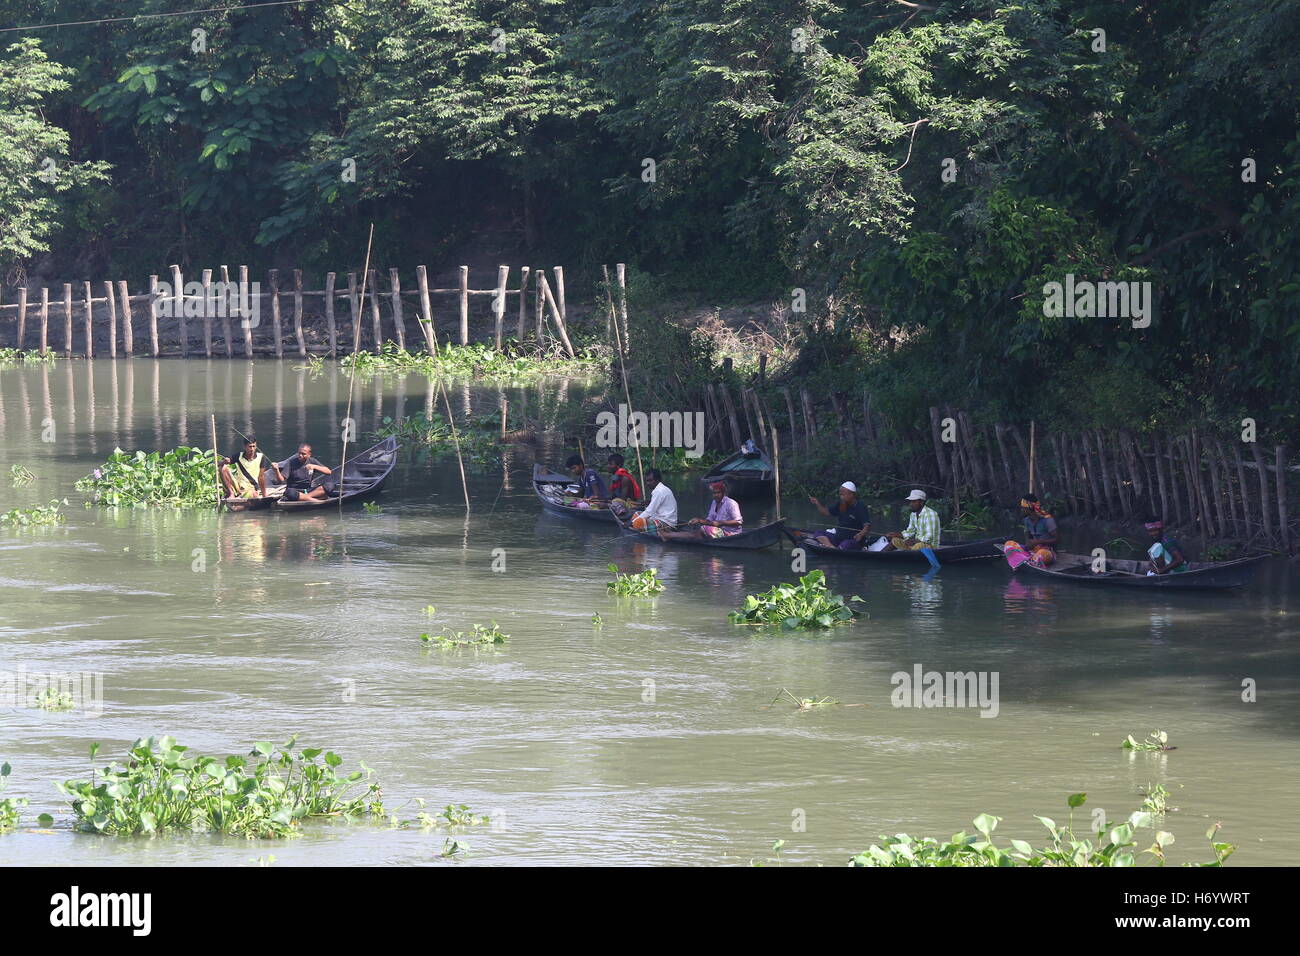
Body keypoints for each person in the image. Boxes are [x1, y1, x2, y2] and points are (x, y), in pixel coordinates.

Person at [659, 481, 741, 541]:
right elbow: (710, 520)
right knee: (698, 530)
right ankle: (670, 535)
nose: (715, 495)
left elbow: (739, 522)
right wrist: (698, 520)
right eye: (714, 493)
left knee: (702, 530)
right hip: (718, 531)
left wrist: (721, 522)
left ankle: (668, 535)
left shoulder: (731, 503)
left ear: (723, 493)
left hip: (730, 534)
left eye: (718, 493)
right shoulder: (714, 502)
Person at [807, 481, 872, 550]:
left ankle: (835, 549)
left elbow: (867, 526)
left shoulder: (860, 507)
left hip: (852, 540)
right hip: (838, 537)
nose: (841, 497)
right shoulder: (842, 505)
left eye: (843, 495)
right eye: (840, 495)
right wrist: (817, 503)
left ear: (851, 494)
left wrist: (861, 534)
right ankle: (831, 547)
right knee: (818, 533)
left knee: (846, 544)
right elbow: (826, 512)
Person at [221, 435, 274, 500]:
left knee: (253, 495)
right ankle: (231, 493)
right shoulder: (238, 456)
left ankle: (242, 496)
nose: (252, 449)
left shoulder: (261, 457)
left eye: (254, 446)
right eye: (250, 447)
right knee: (223, 468)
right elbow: (221, 463)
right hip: (239, 485)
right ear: (245, 447)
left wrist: (264, 494)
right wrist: (224, 461)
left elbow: (261, 477)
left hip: (251, 488)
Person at [630, 468, 677, 533]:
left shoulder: (659, 491)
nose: (648, 483)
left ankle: (634, 527)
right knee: (637, 513)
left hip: (667, 523)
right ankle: (635, 526)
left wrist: (632, 522)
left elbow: (649, 511)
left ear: (657, 480)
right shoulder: (660, 489)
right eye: (647, 481)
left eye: (650, 480)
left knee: (638, 522)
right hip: (659, 518)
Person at [1019, 494, 1058, 566]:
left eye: (1023, 508)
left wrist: (1039, 542)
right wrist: (1028, 545)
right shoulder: (1026, 521)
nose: (1022, 509)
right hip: (1033, 551)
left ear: (1030, 508)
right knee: (1009, 544)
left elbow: (1056, 539)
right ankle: (1028, 560)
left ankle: (1029, 561)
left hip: (1047, 552)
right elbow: (1029, 539)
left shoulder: (1048, 520)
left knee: (1040, 555)